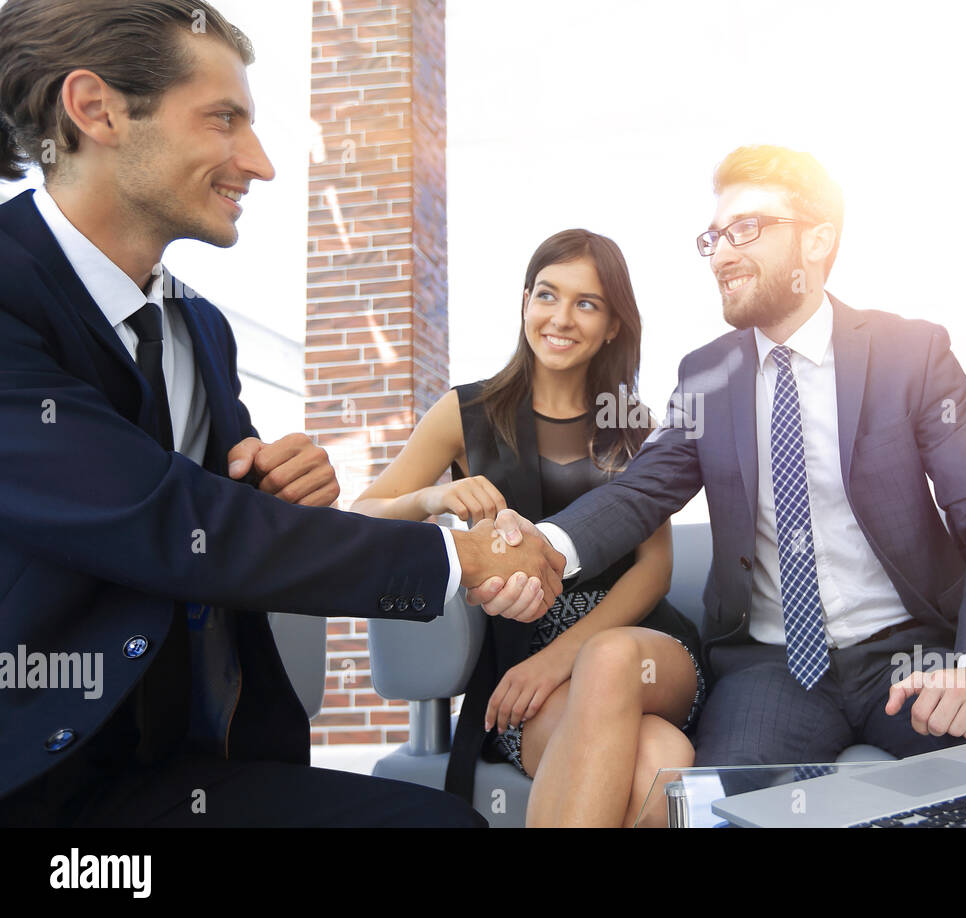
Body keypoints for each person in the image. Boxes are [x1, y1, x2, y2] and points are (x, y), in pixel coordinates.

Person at [0, 0, 562, 827]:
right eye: (224, 120)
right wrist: (456, 559)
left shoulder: (200, 330)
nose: (259, 163)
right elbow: (169, 521)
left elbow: (223, 535)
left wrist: (275, 491)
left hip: (188, 771)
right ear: (96, 110)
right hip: (36, 783)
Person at [472, 145, 966, 775]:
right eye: (713, 236)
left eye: (746, 229)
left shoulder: (912, 354)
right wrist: (543, 544)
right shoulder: (707, 375)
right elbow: (640, 492)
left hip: (911, 655)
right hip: (772, 668)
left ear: (818, 241)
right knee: (724, 809)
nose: (721, 252)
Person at [352, 229, 705, 827]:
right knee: (662, 762)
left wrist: (564, 657)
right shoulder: (464, 414)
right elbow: (362, 517)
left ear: (613, 324)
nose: (561, 318)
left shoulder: (636, 425)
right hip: (523, 658)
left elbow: (654, 568)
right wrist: (432, 495)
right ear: (524, 303)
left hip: (641, 645)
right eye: (547, 295)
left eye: (586, 303)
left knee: (612, 659)